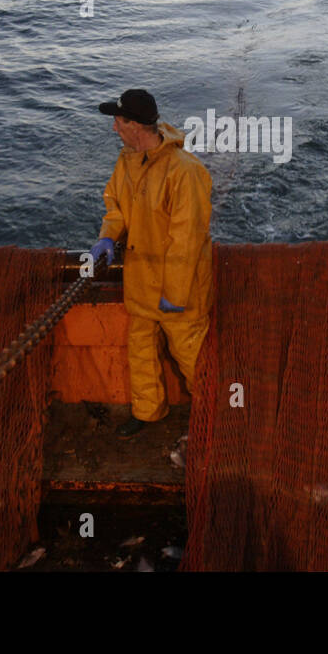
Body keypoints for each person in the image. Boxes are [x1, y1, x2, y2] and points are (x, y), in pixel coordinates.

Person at [89, 89, 214, 438]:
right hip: (142, 283)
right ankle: (146, 412)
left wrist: (174, 293)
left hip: (180, 290)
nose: (114, 128)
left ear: (136, 126)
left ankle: (214, 418)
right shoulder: (127, 161)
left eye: (118, 121)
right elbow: (115, 204)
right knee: (141, 351)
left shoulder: (186, 172)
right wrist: (107, 236)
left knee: (192, 358)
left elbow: (186, 240)